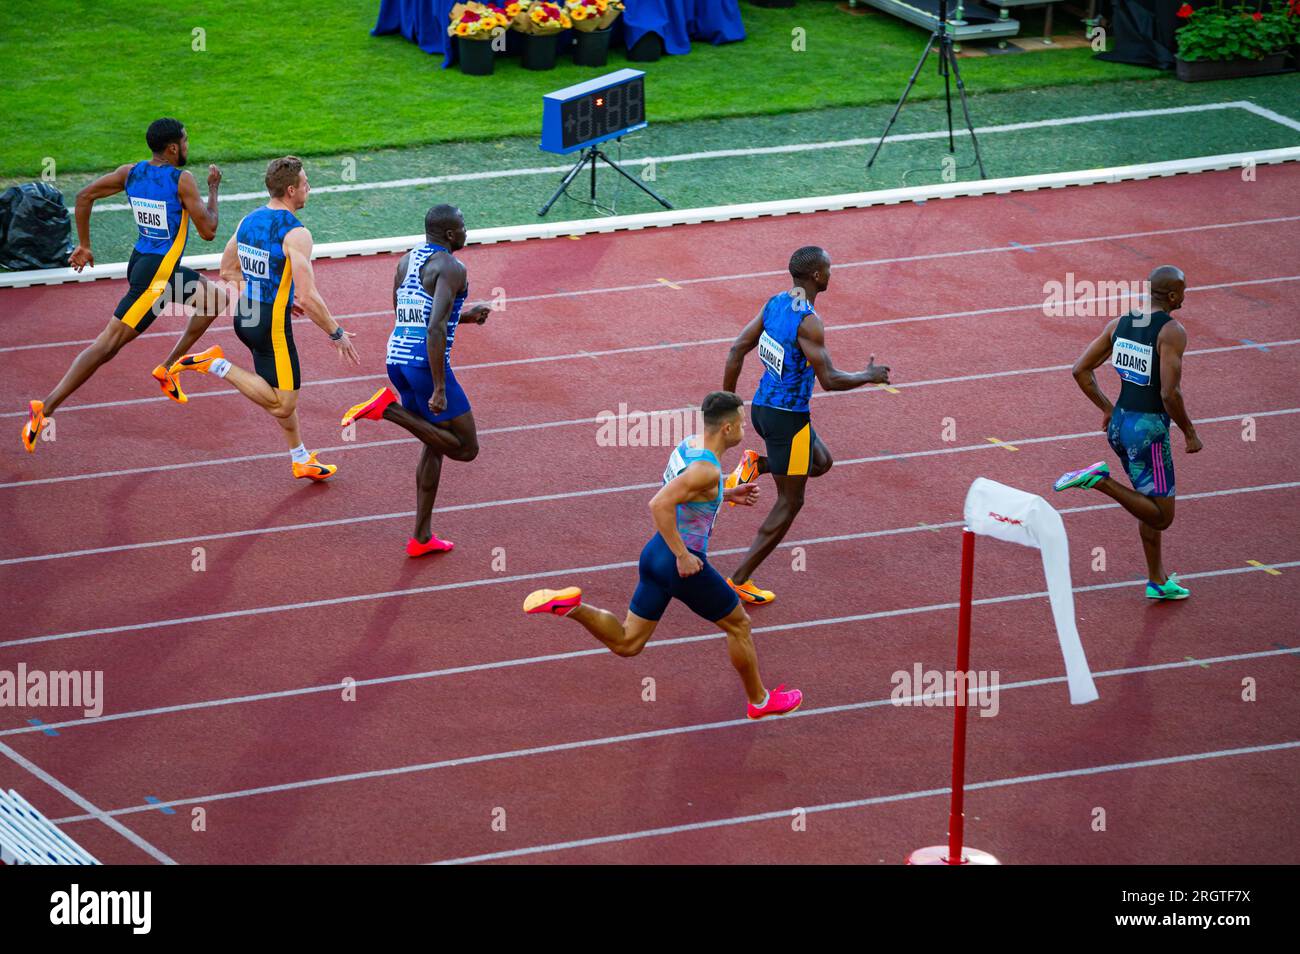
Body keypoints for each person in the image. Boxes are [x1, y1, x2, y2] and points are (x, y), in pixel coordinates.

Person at [523, 391, 803, 719]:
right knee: (739, 625)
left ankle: (572, 608)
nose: (745, 428)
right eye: (741, 423)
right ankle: (759, 702)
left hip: (655, 554)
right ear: (727, 428)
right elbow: (659, 503)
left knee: (628, 643)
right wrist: (683, 555)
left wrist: (727, 495)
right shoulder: (707, 470)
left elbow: (688, 490)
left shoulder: (690, 446)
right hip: (680, 563)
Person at [21, 117, 225, 452]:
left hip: (147, 264)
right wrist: (214, 189)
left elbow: (85, 196)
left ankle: (167, 368)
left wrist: (84, 244)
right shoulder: (182, 180)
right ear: (173, 148)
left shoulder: (130, 172)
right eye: (186, 141)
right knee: (107, 346)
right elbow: (209, 231)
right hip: (154, 280)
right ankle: (45, 408)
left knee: (214, 300)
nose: (188, 146)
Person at [720, 245, 890, 605]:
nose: (832, 273)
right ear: (815, 276)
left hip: (763, 410)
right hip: (788, 422)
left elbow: (736, 349)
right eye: (829, 268)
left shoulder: (775, 303)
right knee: (790, 502)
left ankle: (757, 464)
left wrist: (729, 403)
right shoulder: (809, 321)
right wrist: (868, 376)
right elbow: (828, 380)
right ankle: (739, 579)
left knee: (822, 462)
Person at [170, 156, 358, 480]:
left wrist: (268, 292)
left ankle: (300, 458)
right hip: (270, 327)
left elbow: (227, 270)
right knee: (283, 403)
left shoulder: (248, 221)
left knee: (275, 391)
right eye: (305, 183)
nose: (309, 188)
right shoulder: (297, 234)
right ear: (290, 190)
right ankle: (215, 363)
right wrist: (335, 332)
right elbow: (308, 296)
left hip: (247, 314)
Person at [340, 205, 488, 554]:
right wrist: (438, 386)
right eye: (463, 227)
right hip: (423, 365)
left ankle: (421, 537)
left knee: (434, 443)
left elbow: (408, 311)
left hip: (397, 359)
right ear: (451, 235)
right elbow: (434, 327)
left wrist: (462, 318)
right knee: (466, 449)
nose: (467, 232)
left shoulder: (406, 261)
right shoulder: (452, 267)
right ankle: (388, 410)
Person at [1053, 265, 1201, 600]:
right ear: (1174, 295)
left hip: (1120, 425)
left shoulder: (1119, 324)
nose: (1186, 295)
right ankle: (1100, 480)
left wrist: (1107, 408)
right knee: (1162, 516)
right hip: (1148, 431)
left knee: (1147, 502)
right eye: (1184, 290)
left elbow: (1080, 370)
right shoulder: (1171, 331)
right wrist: (1189, 431)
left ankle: (1157, 580)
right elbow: (1169, 393)